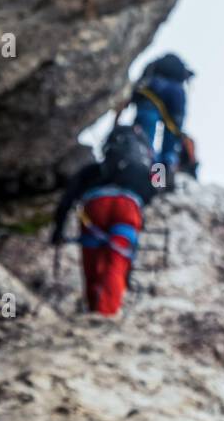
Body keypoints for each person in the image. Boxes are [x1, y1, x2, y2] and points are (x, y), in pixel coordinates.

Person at [50, 124, 157, 316]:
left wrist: (58, 230)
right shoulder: (143, 171)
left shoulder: (92, 170)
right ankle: (106, 312)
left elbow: (67, 199)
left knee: (92, 265)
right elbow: (159, 185)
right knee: (116, 261)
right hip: (128, 208)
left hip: (94, 209)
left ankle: (93, 309)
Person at [131, 53, 195, 183]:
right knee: (169, 146)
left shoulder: (153, 70)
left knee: (146, 141)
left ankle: (146, 173)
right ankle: (160, 180)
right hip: (176, 97)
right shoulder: (179, 78)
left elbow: (137, 88)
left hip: (150, 92)